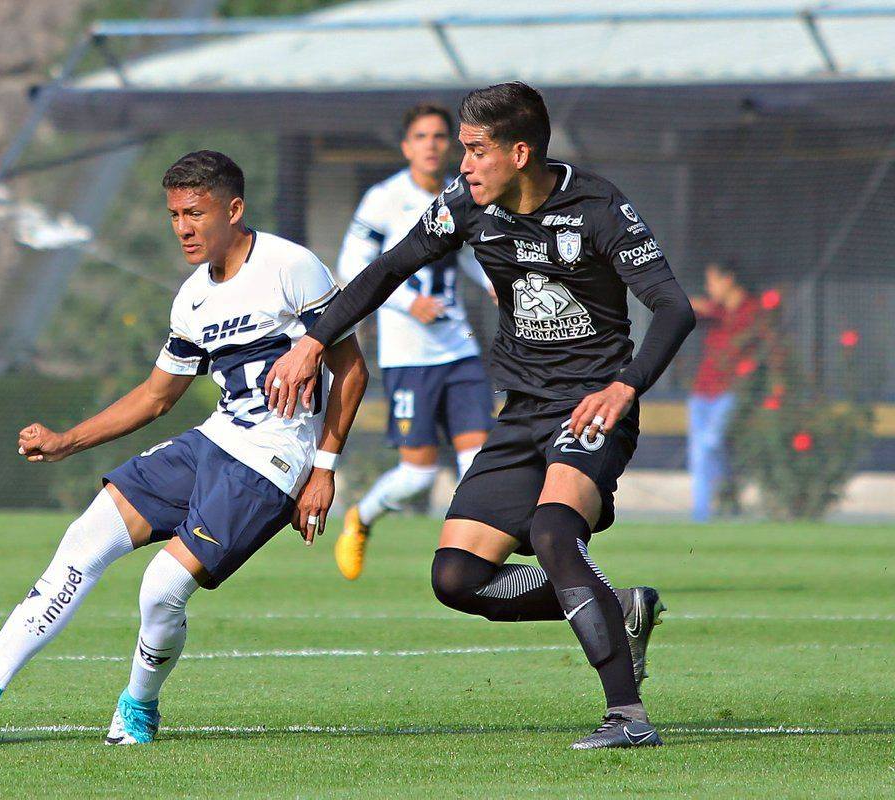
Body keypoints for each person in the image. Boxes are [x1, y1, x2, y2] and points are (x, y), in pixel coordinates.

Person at [265, 83, 695, 749]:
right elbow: (384, 271)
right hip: (521, 414)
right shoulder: (465, 206)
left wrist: (625, 387)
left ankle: (628, 717)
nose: (461, 165)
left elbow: (674, 308)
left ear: (519, 152)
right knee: (457, 578)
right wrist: (314, 341)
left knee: (554, 533)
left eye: (475, 150)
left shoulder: (599, 206)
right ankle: (621, 609)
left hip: (590, 410)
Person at [0, 150, 368, 744]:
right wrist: (68, 441)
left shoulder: (291, 266)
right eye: (173, 215)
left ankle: (138, 707)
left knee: (161, 588)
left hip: (274, 461)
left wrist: (323, 468)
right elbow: (156, 397)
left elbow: (350, 369)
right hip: (216, 439)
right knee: (86, 536)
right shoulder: (191, 298)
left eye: (196, 212)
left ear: (234, 209)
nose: (183, 228)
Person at [334, 102, 495, 581]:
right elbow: (351, 267)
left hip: (459, 352)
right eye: (421, 136)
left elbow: (467, 254)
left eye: (440, 137)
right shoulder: (382, 200)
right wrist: (408, 303)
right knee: (418, 474)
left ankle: (477, 558)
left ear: (452, 145)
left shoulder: (463, 193)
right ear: (407, 146)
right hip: (408, 358)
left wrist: (495, 283)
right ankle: (360, 518)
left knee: (476, 463)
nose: (431, 145)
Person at [687, 260, 760, 522]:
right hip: (702, 393)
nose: (709, 287)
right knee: (700, 453)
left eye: (712, 281)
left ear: (728, 279)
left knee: (712, 443)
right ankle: (702, 514)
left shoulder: (752, 309)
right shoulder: (714, 310)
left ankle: (727, 500)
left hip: (732, 392)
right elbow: (690, 308)